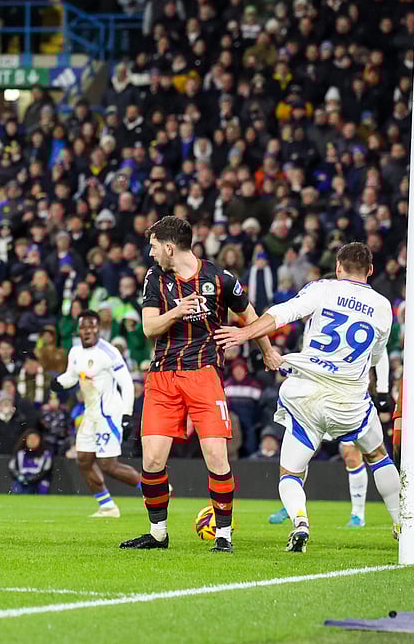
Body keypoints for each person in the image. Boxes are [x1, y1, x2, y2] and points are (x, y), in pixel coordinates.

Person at [216, 243, 400, 553]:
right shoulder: (383, 306)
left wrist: (245, 334)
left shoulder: (323, 288)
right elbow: (376, 356)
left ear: (338, 267)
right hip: (347, 400)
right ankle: (401, 523)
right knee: (377, 455)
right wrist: (379, 387)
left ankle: (300, 521)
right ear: (370, 270)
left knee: (290, 473)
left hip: (305, 394)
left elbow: (282, 312)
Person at [120, 216, 280, 553]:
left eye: (153, 247)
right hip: (162, 376)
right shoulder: (155, 278)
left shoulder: (219, 278)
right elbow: (150, 328)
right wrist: (176, 313)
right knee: (151, 460)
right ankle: (158, 534)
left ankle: (223, 536)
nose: (150, 254)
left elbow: (249, 316)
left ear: (169, 246)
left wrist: (266, 350)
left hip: (205, 374)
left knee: (216, 457)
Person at [51, 310, 139, 517]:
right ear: (78, 330)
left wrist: (127, 415)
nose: (87, 331)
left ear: (99, 328)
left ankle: (155, 490)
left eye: (91, 326)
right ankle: (107, 506)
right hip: (90, 414)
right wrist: (58, 383)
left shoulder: (108, 353)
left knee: (109, 465)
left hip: (109, 413)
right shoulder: (75, 352)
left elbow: (126, 383)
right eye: (83, 327)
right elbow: (72, 376)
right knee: (83, 459)